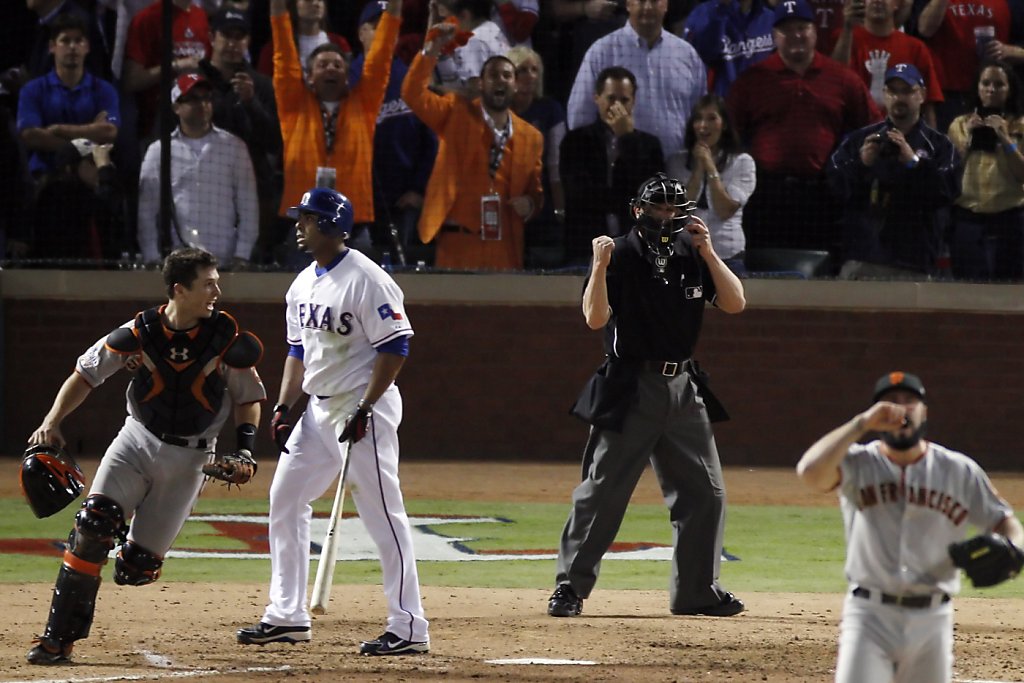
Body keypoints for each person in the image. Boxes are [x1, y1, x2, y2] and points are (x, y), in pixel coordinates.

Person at [25, 246, 266, 665]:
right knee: (93, 526)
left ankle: (130, 551)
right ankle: (56, 640)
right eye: (208, 283)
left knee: (137, 569)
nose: (217, 291)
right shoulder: (140, 332)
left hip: (192, 459)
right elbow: (85, 374)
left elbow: (249, 400)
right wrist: (52, 420)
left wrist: (245, 449)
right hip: (135, 442)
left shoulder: (224, 338)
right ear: (179, 289)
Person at [236, 187, 429, 655]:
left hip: (364, 409)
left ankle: (409, 627)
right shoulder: (302, 282)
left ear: (331, 226)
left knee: (382, 514)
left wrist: (365, 408)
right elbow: (298, 350)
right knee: (286, 499)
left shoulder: (367, 279)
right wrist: (285, 406)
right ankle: (286, 615)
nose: (299, 227)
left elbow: (396, 347)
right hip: (319, 411)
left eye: (307, 219)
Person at [547, 173, 746, 619]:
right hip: (631, 385)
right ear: (638, 209)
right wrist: (599, 267)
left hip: (683, 388)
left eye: (674, 209)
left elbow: (735, 303)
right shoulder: (620, 253)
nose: (666, 217)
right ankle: (570, 588)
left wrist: (710, 252)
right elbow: (595, 319)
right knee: (603, 494)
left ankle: (697, 590)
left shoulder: (691, 254)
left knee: (706, 494)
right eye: (658, 208)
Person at [795, 371, 1024, 683]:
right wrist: (860, 424)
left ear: (924, 411)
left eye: (909, 401)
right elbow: (809, 472)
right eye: (889, 402)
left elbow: (1006, 522)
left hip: (933, 621)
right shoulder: (857, 463)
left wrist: (1014, 547)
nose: (900, 409)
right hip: (868, 618)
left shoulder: (958, 470)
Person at [727, 0, 881, 256]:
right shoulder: (752, 80)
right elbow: (729, 135)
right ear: (774, 36)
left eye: (802, 27)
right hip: (766, 195)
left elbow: (872, 127)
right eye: (786, 30)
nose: (796, 35)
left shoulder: (841, 78)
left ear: (814, 31)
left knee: (820, 278)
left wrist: (851, 168)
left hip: (822, 194)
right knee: (766, 271)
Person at [402, 24, 544, 270]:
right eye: (493, 75)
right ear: (480, 84)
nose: (500, 81)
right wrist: (432, 49)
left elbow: (535, 192)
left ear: (516, 85)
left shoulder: (532, 137)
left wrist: (530, 205)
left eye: (507, 76)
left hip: (505, 246)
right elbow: (412, 93)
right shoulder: (456, 112)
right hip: (457, 241)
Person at [271, 0, 401, 262]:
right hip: (305, 225)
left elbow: (382, 55)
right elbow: (284, 52)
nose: (330, 68)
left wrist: (395, 6)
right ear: (308, 76)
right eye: (322, 65)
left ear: (348, 75)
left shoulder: (364, 103)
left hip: (354, 224)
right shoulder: (294, 104)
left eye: (338, 65)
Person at [827, 64, 960, 279]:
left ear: (923, 95)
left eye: (907, 91)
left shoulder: (940, 145)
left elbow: (947, 192)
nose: (899, 97)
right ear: (884, 95)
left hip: (914, 261)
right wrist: (862, 164)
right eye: (893, 91)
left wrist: (914, 163)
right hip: (863, 256)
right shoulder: (860, 140)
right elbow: (835, 187)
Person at [137, 74, 259, 268]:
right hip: (176, 261)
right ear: (176, 106)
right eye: (192, 99)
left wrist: (242, 255)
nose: (201, 104)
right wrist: (151, 257)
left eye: (206, 98)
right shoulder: (159, 150)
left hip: (224, 260)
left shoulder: (234, 147)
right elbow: (146, 210)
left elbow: (248, 206)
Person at [349, 0, 438, 264]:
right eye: (375, 26)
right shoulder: (347, 79)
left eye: (388, 27)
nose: (383, 32)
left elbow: (430, 140)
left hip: (402, 200)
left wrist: (418, 189)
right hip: (355, 198)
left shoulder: (411, 78)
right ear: (361, 33)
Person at [197, 7, 284, 266]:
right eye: (227, 35)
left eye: (240, 37)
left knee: (250, 261)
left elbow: (275, 141)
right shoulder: (193, 83)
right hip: (204, 185)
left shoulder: (261, 84)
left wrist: (251, 103)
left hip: (253, 187)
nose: (234, 43)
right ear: (212, 37)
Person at [567, 0, 706, 160]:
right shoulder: (602, 52)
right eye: (641, 1)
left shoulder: (687, 55)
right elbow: (580, 118)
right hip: (623, 171)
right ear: (628, 4)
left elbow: (700, 115)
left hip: (676, 170)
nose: (647, 7)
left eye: (654, 1)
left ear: (666, 5)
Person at [560, 66, 664, 266]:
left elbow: (651, 198)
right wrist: (625, 202)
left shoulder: (649, 145)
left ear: (633, 101)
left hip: (636, 249)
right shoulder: (575, 141)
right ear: (597, 98)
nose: (617, 106)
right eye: (610, 99)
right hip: (585, 247)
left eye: (624, 100)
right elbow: (579, 195)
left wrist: (627, 140)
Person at [16, 12, 120, 178]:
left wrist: (58, 129)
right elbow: (30, 136)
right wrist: (88, 139)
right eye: (65, 40)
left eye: (78, 40)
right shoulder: (32, 90)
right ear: (52, 47)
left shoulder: (104, 90)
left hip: (91, 177)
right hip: (45, 175)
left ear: (87, 47)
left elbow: (109, 131)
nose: (72, 46)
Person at [947, 60, 1024, 280]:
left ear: (1010, 90)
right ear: (977, 87)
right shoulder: (959, 125)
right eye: (986, 83)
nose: (991, 89)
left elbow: (1022, 175)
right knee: (968, 287)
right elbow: (950, 171)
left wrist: (1005, 138)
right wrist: (969, 139)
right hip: (968, 217)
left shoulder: (1020, 125)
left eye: (999, 84)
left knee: (1009, 288)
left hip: (1009, 217)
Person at [668, 94, 755, 276]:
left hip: (728, 257)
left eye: (711, 118)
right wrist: (698, 170)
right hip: (685, 255)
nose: (703, 125)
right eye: (698, 118)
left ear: (723, 124)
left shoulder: (742, 162)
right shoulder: (676, 162)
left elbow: (725, 209)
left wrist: (710, 166)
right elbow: (680, 211)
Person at [830, 0, 943, 128]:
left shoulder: (916, 48)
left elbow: (928, 105)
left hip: (902, 133)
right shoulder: (843, 38)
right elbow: (834, 83)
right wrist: (847, 29)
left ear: (898, 4)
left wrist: (931, 145)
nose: (878, 1)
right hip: (852, 131)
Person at [507, 45, 566, 266]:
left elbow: (556, 165)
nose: (530, 76)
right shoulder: (498, 109)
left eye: (534, 70)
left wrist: (560, 210)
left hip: (541, 198)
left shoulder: (550, 110)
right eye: (523, 70)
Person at [916, 0, 1012, 132]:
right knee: (950, 148)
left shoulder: (1011, 4)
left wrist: (1010, 50)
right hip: (948, 93)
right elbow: (924, 29)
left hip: (994, 93)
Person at [122, 0, 211, 140]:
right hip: (156, 125)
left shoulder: (201, 16)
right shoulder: (147, 18)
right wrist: (175, 66)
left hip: (197, 124)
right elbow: (131, 80)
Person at [30, 139, 130, 264]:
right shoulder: (56, 193)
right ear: (69, 167)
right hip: (62, 275)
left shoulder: (89, 193)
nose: (99, 166)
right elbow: (105, 206)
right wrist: (104, 170)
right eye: (93, 162)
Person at [681, 0, 776, 97]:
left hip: (765, 103)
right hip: (723, 105)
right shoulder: (703, 15)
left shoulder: (770, 17)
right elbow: (696, 62)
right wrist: (720, 14)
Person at [432, 0, 512, 98]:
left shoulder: (474, 41)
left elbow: (476, 95)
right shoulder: (491, 27)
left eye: (448, 18)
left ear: (465, 15)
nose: (445, 24)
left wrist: (436, 88)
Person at [256, 0, 352, 80]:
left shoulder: (339, 42)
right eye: (308, 0)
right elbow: (265, 87)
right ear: (294, 5)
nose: (316, 3)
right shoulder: (274, 48)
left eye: (320, 0)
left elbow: (349, 79)